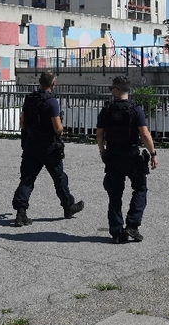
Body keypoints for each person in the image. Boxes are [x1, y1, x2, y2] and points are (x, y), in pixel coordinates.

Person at [12, 71, 84, 227]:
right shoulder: (52, 102)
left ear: (39, 82)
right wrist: (62, 127)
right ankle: (68, 206)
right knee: (59, 178)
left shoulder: (29, 99)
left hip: (31, 145)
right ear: (53, 84)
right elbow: (58, 128)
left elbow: (22, 123)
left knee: (27, 179)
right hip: (49, 147)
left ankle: (21, 212)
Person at [96, 76, 158, 243]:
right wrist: (153, 154)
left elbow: (99, 134)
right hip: (131, 156)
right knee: (140, 189)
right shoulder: (135, 109)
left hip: (113, 156)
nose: (111, 92)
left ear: (116, 90)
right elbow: (145, 134)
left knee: (114, 195)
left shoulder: (106, 109)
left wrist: (103, 152)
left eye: (111, 89)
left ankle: (117, 233)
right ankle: (132, 225)